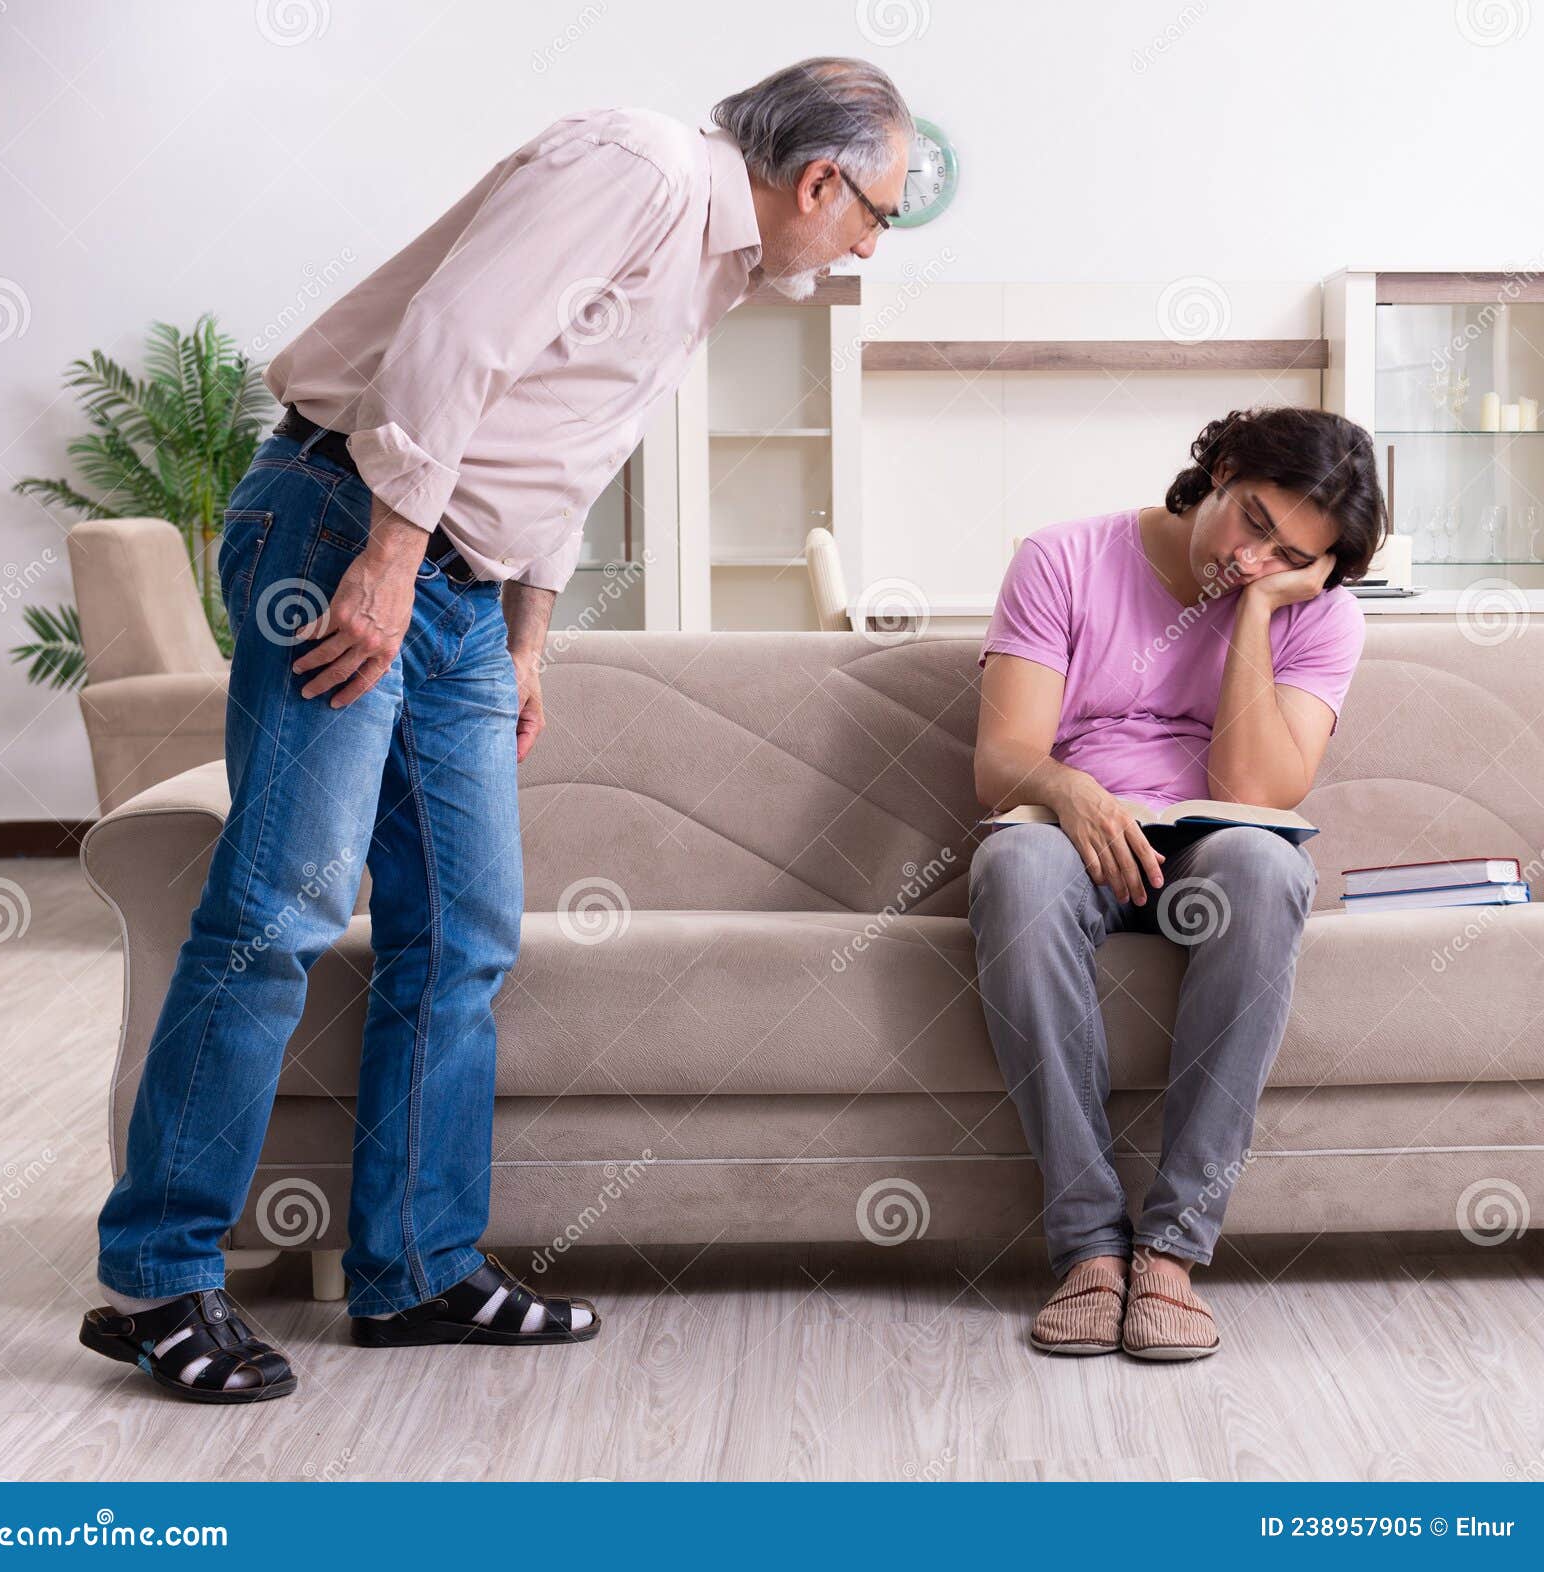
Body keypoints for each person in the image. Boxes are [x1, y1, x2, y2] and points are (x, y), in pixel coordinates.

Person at [79, 58, 913, 1404]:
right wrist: (392, 563)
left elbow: (570, 445)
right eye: (880, 212)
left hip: (460, 588)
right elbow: (453, 345)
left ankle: (413, 1270)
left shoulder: (714, 268)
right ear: (820, 180)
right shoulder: (638, 170)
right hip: (349, 521)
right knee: (284, 908)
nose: (875, 240)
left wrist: (524, 639)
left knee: (466, 928)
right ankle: (155, 1279)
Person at [968, 407, 1386, 1360]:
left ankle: (1169, 1253)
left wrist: (1255, 610)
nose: (1253, 557)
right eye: (1250, 521)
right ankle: (1089, 1251)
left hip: (1207, 844)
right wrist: (1075, 792)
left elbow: (1252, 792)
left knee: (1264, 861)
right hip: (1069, 834)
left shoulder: (1319, 615)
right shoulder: (1062, 558)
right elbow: (1003, 759)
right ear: (1221, 469)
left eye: (1287, 555)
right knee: (1014, 862)